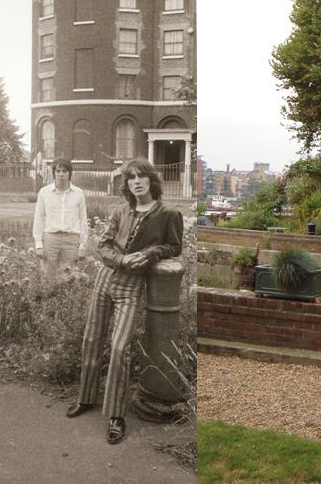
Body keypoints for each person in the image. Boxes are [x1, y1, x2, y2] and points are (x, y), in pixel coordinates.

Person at [66, 158, 183, 445]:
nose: (136, 181)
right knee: (92, 339)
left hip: (132, 286)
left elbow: (174, 246)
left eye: (142, 176)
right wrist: (120, 259)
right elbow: (102, 245)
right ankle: (86, 398)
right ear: (126, 183)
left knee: (119, 347)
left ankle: (117, 416)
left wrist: (152, 252)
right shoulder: (121, 211)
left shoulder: (168, 213)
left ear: (152, 181)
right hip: (105, 279)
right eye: (131, 177)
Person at [32, 157, 88, 280]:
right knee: (48, 277)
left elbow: (83, 220)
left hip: (71, 239)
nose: (61, 174)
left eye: (64, 171)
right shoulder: (44, 192)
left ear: (70, 173)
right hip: (51, 239)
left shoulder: (78, 193)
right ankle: (47, 299)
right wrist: (39, 244)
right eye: (58, 171)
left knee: (70, 278)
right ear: (54, 173)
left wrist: (83, 246)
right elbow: (39, 218)